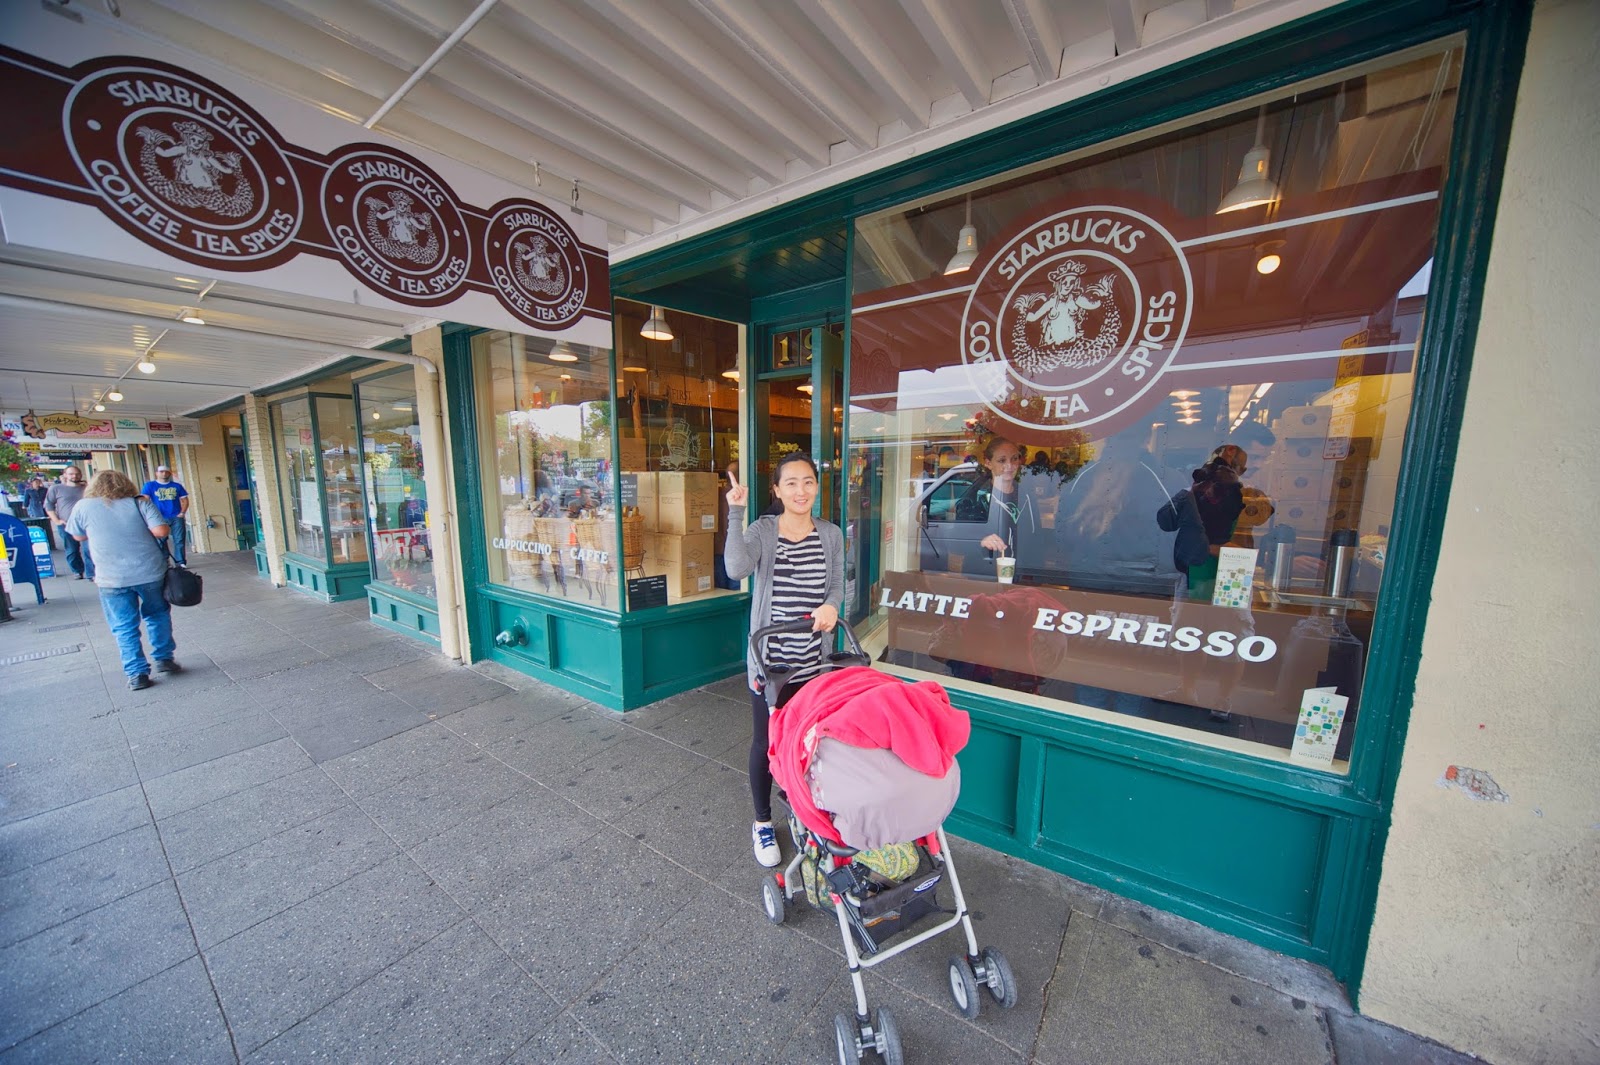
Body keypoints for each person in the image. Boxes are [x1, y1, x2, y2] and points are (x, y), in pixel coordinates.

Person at [724, 453, 843, 868]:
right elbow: (736, 568)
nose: (800, 490)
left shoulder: (830, 534)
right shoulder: (763, 530)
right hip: (771, 663)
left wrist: (831, 605)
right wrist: (735, 511)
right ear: (776, 490)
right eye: (790, 483)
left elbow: (836, 585)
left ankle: (804, 812)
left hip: (815, 664)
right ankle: (761, 821)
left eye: (807, 482)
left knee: (810, 744)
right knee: (766, 742)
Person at [65, 470, 178, 690]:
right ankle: (164, 659)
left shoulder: (82, 507)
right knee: (157, 615)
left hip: (111, 577)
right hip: (149, 571)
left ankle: (137, 674)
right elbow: (161, 530)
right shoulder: (139, 503)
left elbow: (77, 536)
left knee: (124, 626)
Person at [45, 466, 94, 580]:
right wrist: (57, 520)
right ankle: (77, 570)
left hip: (86, 524)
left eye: (77, 473)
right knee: (72, 550)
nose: (74, 476)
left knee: (88, 549)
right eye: (71, 474)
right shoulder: (56, 488)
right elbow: (48, 505)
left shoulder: (87, 488)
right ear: (65, 475)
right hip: (66, 524)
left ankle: (91, 573)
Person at [141, 465, 190, 565]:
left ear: (169, 473)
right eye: (161, 471)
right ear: (156, 473)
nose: (164, 473)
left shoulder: (177, 486)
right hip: (159, 517)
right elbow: (144, 500)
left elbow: (185, 500)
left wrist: (182, 513)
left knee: (179, 540)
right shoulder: (150, 486)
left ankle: (180, 562)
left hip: (176, 516)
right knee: (160, 541)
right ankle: (165, 561)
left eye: (166, 472)